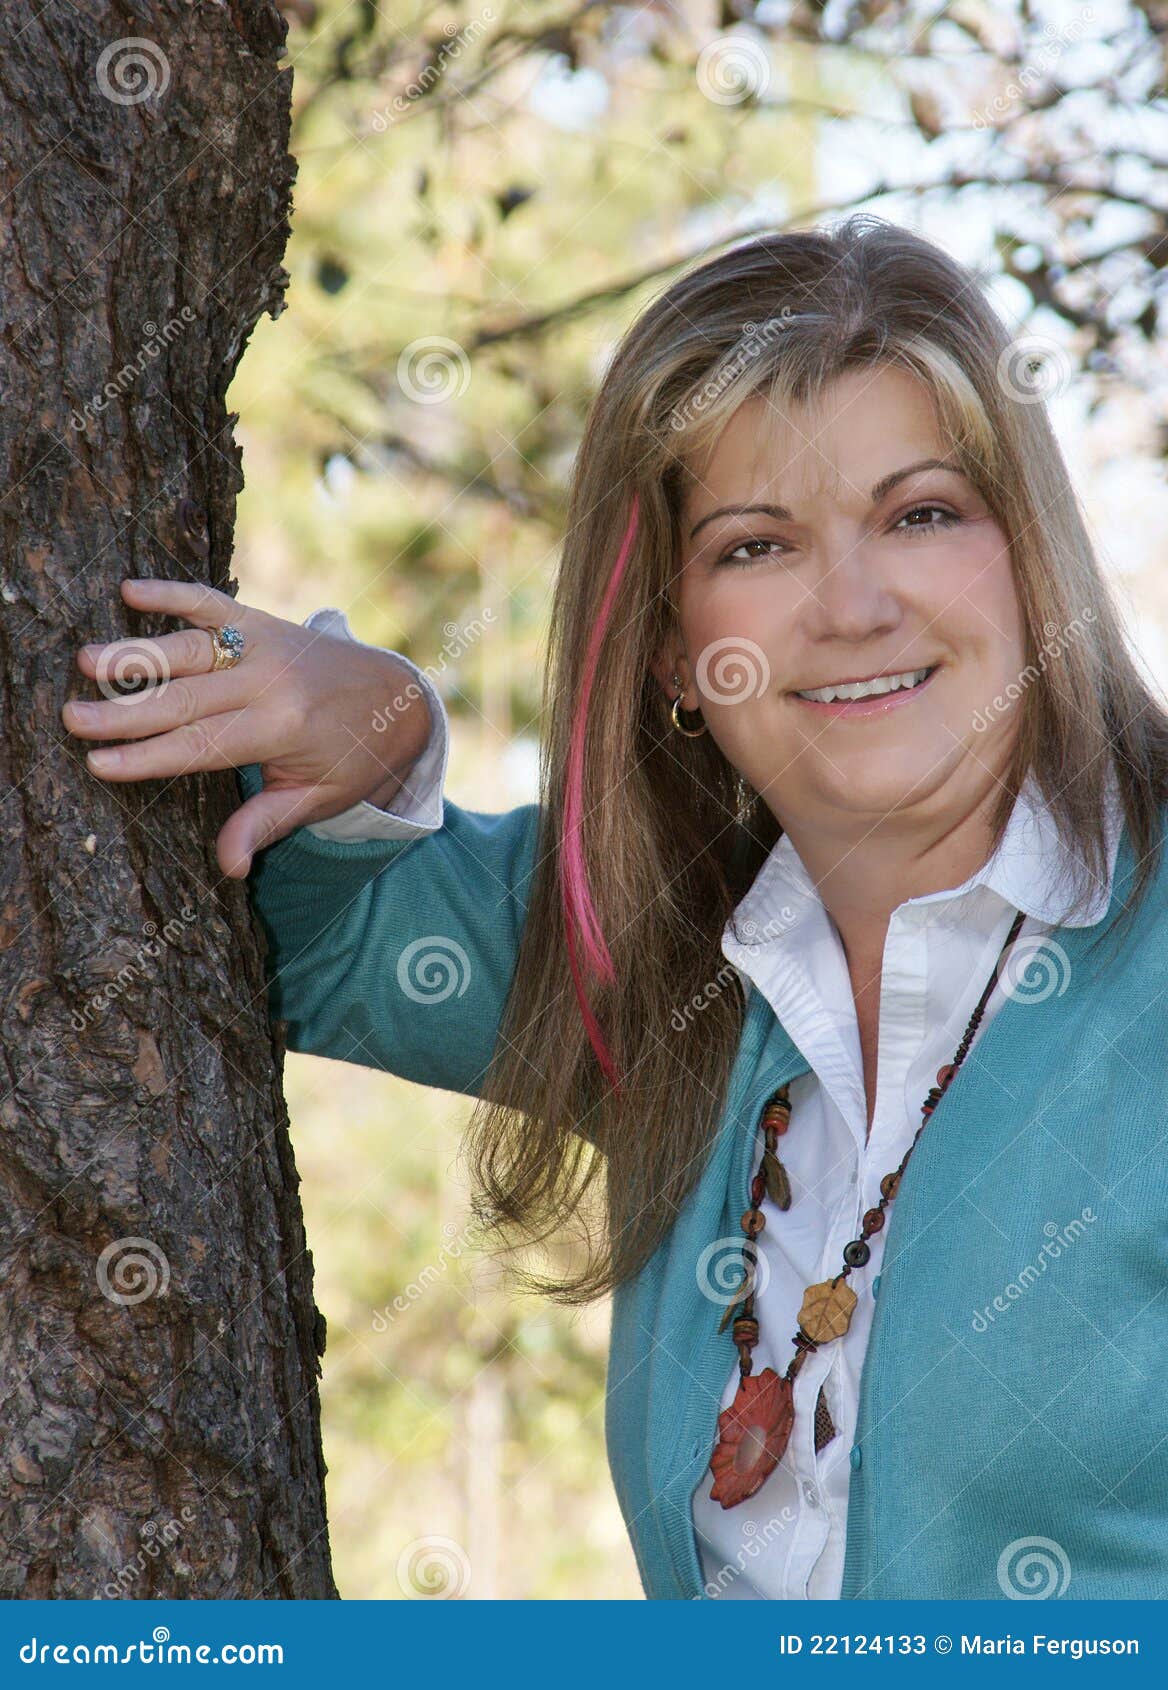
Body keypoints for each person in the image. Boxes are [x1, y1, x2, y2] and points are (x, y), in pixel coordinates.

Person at [61, 215, 1168, 1601]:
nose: (853, 602)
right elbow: (252, 944)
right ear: (673, 652)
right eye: (758, 546)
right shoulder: (675, 954)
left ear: (1030, 558)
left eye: (923, 513)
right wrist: (381, 724)